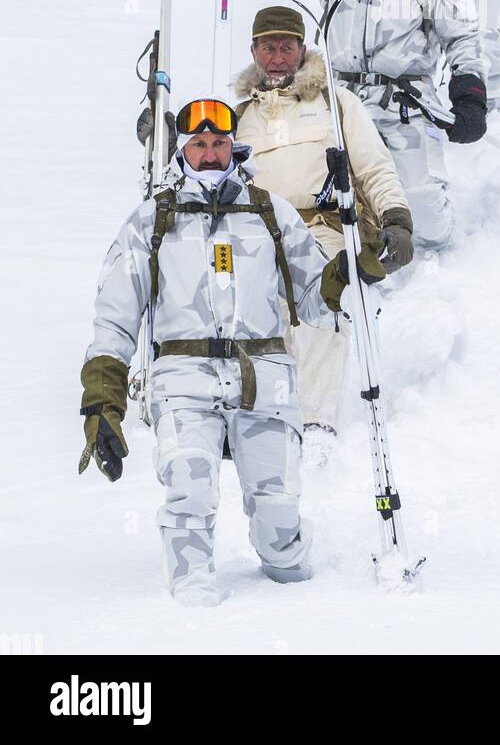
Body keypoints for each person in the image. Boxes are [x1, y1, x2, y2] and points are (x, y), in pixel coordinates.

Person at [79, 97, 384, 606]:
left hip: (263, 374)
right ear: (181, 149)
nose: (210, 153)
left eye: (219, 143)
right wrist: (102, 401)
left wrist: (343, 277)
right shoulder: (152, 219)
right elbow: (115, 315)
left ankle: (300, 589)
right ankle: (193, 615)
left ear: (233, 146)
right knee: (189, 493)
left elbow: (312, 303)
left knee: (278, 518)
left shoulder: (271, 212)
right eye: (198, 144)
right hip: (182, 376)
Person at [207, 0, 488, 251]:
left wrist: (469, 91)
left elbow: (461, 31)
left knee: (424, 220)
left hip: (404, 102)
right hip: (342, 102)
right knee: (335, 191)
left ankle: (432, 232)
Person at [232, 5, 413, 463]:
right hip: (258, 232)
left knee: (318, 301)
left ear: (302, 49)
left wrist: (396, 218)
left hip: (322, 226)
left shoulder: (334, 102)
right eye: (268, 47)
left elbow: (374, 164)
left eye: (286, 47)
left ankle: (315, 420)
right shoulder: (238, 117)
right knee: (253, 308)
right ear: (254, 52)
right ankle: (259, 416)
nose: (277, 57)